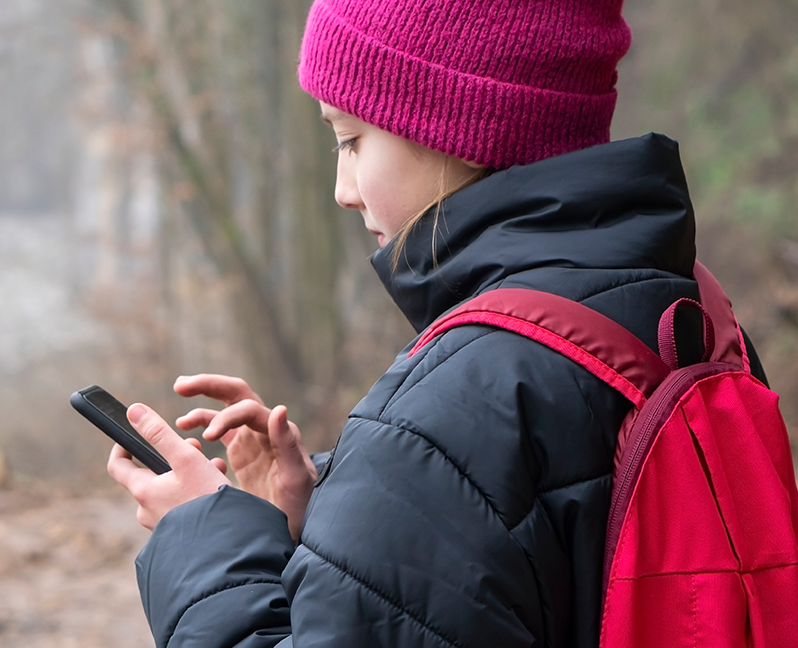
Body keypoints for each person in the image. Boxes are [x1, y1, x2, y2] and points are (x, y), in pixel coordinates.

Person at [105, 0, 768, 647]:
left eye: (351, 140)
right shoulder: (689, 315)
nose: (343, 188)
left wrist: (203, 541)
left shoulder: (447, 414)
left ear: (459, 123)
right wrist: (331, 520)